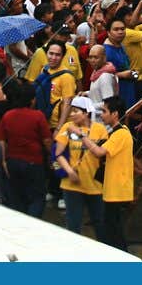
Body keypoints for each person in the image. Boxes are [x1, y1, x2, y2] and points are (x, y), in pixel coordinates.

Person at [79, 94, 136, 250]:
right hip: (114, 189)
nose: (101, 115)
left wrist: (82, 136)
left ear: (115, 114)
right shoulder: (119, 132)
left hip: (117, 190)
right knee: (112, 229)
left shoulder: (120, 134)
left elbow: (99, 152)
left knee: (114, 232)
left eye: (104, 111)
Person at [0, 78, 52, 218]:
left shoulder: (7, 116)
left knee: (16, 198)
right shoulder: (38, 116)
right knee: (37, 198)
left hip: (13, 162)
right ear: (32, 100)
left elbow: (1, 141)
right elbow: (47, 140)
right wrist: (52, 157)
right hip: (34, 163)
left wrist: (4, 161)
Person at [53, 94, 108, 237]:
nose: (71, 114)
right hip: (71, 185)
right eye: (71, 111)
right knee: (73, 225)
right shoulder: (67, 127)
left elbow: (101, 154)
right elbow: (58, 153)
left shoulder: (100, 130)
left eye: (75, 111)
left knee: (100, 223)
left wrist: (81, 135)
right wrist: (70, 171)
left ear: (86, 113)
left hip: (94, 184)